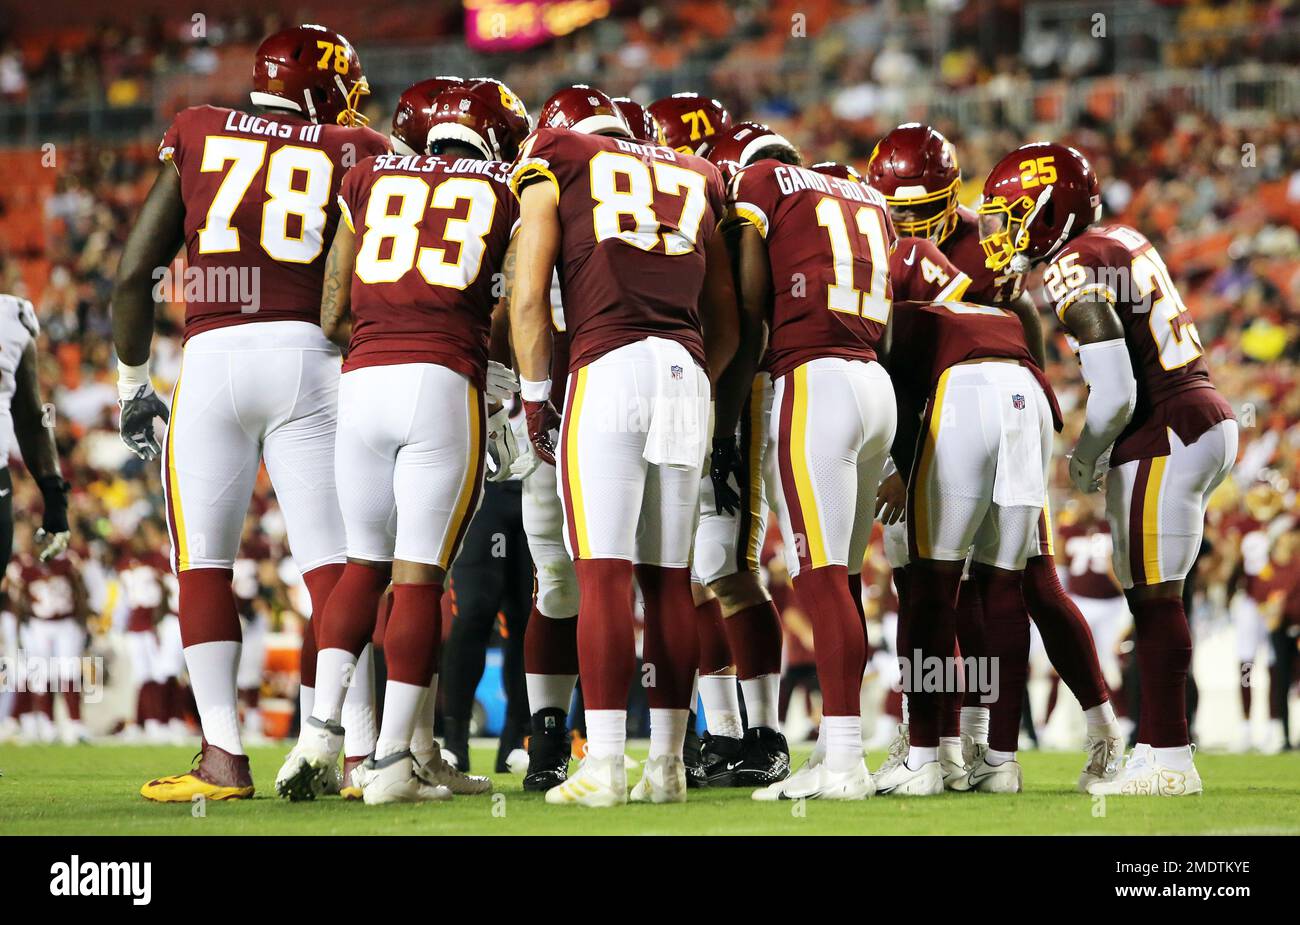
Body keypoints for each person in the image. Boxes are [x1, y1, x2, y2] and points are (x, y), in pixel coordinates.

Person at [114, 24, 390, 801]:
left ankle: (223, 759)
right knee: (337, 567)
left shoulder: (199, 127)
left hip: (214, 358)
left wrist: (134, 383)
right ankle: (358, 752)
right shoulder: (350, 148)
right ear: (316, 86)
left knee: (202, 561)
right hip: (316, 359)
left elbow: (137, 273)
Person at [275, 77, 529, 805]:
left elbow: (330, 310)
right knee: (419, 577)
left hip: (362, 378)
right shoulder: (507, 188)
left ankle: (317, 739)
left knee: (361, 566)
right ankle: (391, 761)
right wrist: (500, 380)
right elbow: (519, 298)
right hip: (442, 379)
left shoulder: (367, 174)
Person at [867, 124, 1123, 790]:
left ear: (954, 193)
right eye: (898, 210)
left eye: (922, 210)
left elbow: (1021, 325)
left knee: (997, 584)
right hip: (952, 414)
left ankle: (1065, 731)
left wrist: (1025, 384)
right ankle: (969, 744)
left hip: (954, 412)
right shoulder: (895, 240)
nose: (908, 224)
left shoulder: (985, 237)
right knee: (955, 586)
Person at [979, 142, 1237, 795]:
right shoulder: (1117, 238)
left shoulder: (1074, 262)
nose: (1005, 228)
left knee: (1154, 596)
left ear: (1048, 210)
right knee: (1156, 592)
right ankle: (1158, 747)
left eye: (1014, 213)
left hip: (1166, 423)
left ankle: (1169, 756)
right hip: (1199, 412)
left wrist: (1086, 452)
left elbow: (1116, 389)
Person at [509, 84, 738, 806]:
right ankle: (666, 765)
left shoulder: (559, 153)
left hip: (607, 364)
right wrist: (695, 381)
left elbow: (526, 295)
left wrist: (536, 397)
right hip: (686, 367)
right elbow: (728, 320)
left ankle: (605, 762)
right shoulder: (695, 173)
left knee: (603, 574)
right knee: (670, 578)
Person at [711, 129, 899, 799]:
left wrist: (725, 420)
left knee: (819, 578)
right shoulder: (867, 196)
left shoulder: (762, 185)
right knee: (842, 580)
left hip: (814, 381)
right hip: (876, 379)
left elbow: (753, 309)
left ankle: (845, 760)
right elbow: (893, 321)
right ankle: (839, 749)